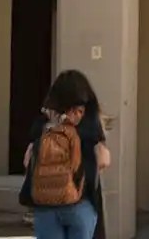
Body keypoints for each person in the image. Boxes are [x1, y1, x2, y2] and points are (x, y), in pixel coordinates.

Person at [21, 70, 111, 239]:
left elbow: (27, 161)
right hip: (81, 202)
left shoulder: (43, 123)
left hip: (46, 205)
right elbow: (104, 160)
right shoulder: (88, 121)